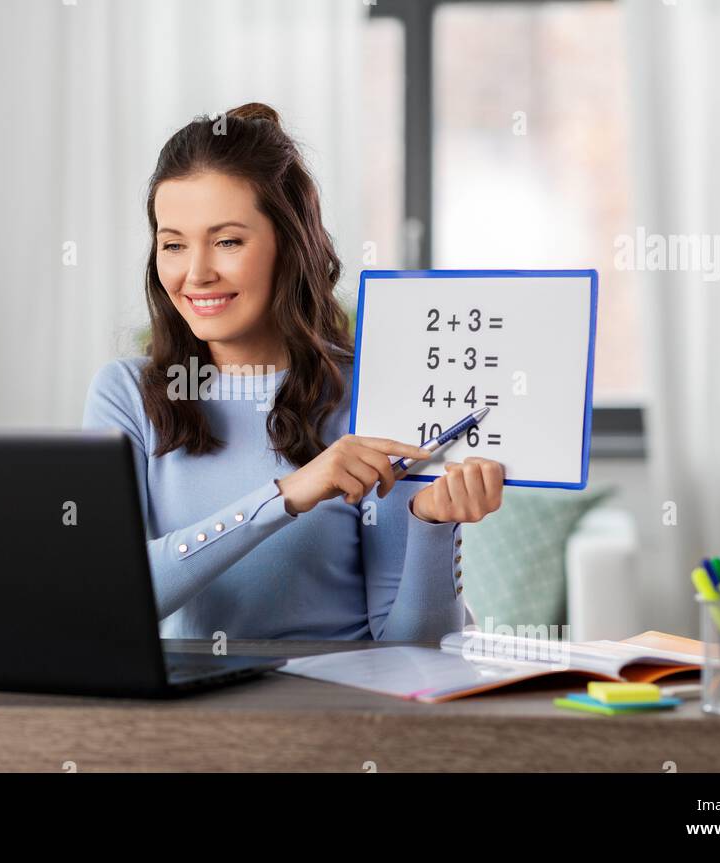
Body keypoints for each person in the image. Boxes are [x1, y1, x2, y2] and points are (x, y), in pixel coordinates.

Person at [83, 103, 504, 641]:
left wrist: (434, 528)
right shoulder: (127, 394)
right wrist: (285, 496)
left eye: (228, 241)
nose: (196, 273)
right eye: (173, 245)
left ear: (291, 245)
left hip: (337, 716)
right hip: (187, 718)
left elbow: (415, 655)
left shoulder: (373, 395)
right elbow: (105, 596)